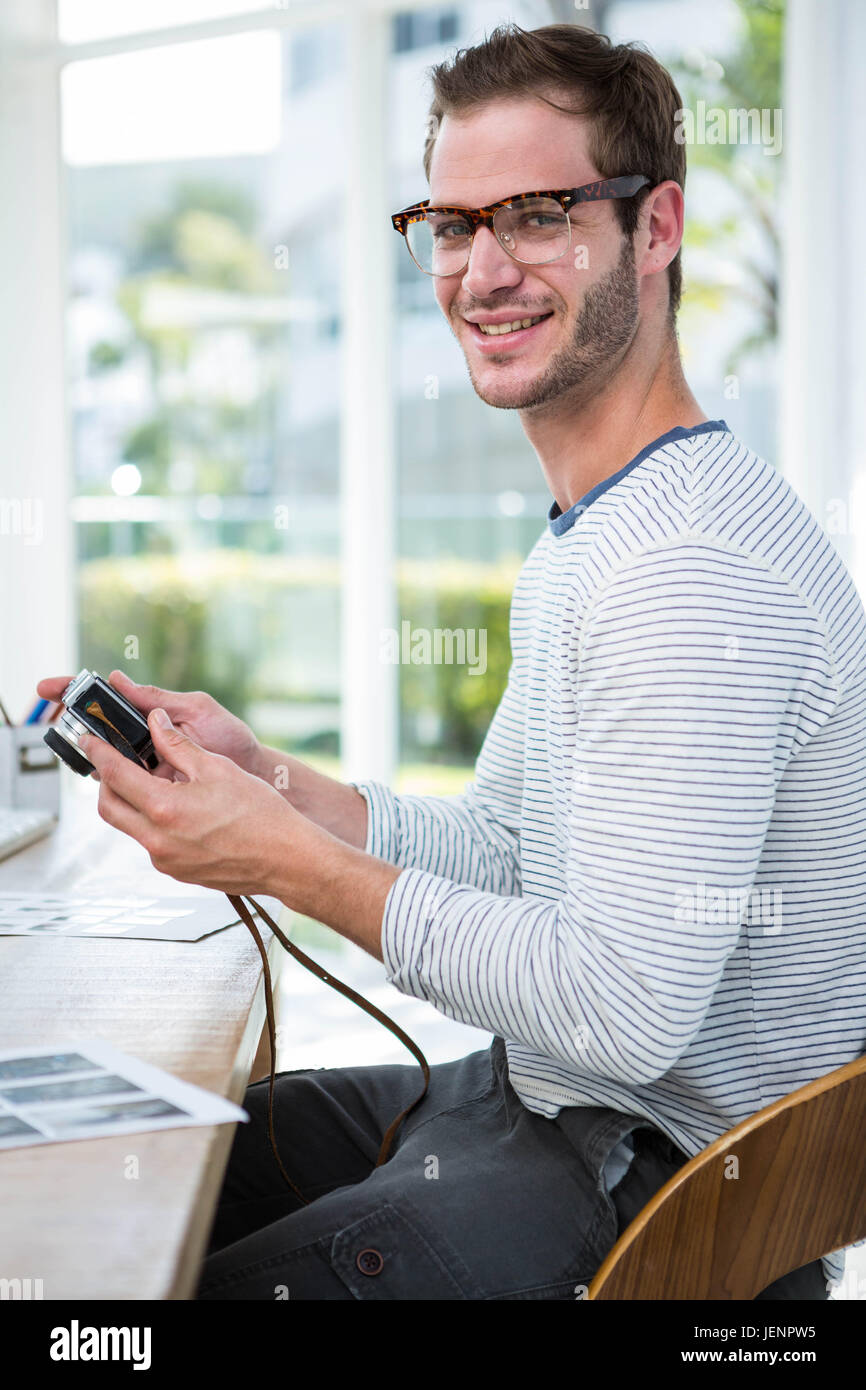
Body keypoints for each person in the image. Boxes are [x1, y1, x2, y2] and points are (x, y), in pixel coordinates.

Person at [39, 23, 865, 1300]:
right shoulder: (605, 525)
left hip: (654, 1200)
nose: (482, 270)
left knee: (113, 1295)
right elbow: (509, 853)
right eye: (451, 224)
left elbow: (620, 1008)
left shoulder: (689, 569)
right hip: (533, 1098)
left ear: (655, 231)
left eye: (536, 215)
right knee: (147, 1160)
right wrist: (276, 784)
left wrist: (286, 863)